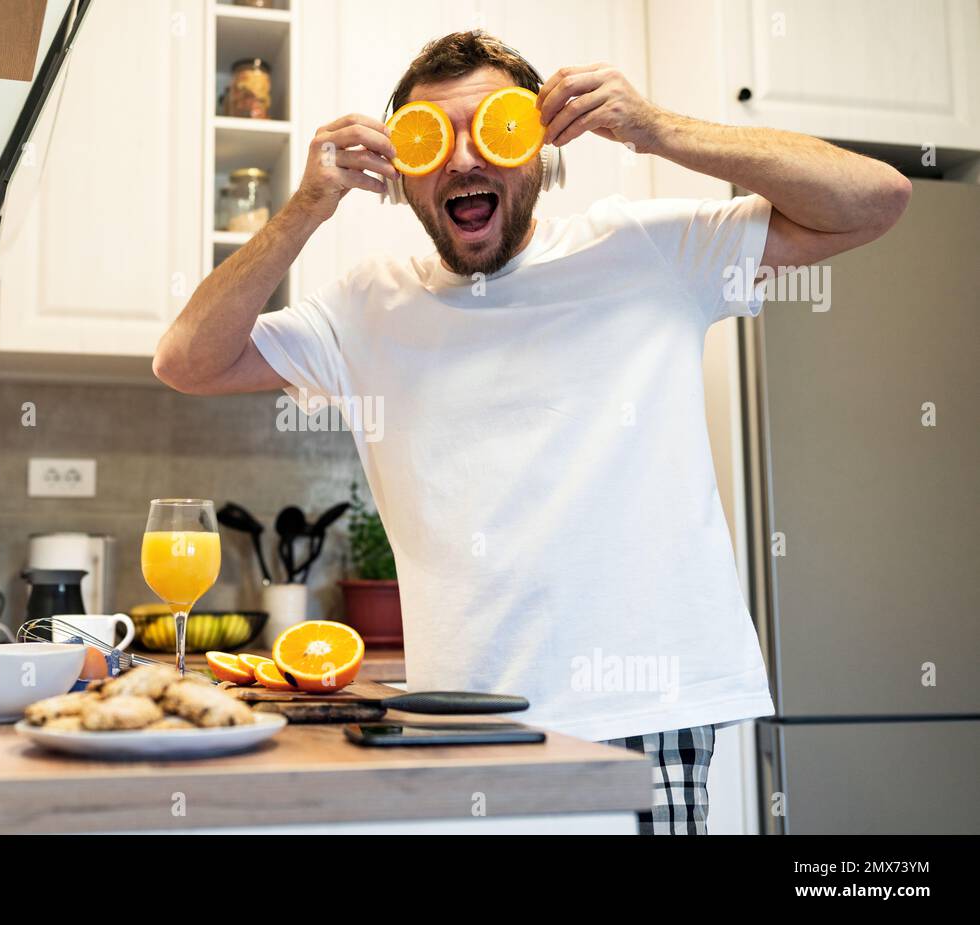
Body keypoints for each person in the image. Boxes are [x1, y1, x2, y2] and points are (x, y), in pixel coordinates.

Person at [153, 31, 911, 834]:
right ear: (402, 176)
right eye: (433, 140)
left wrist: (658, 128)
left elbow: (877, 199)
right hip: (460, 722)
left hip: (641, 711)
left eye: (495, 130)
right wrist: (307, 203)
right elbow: (186, 361)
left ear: (543, 152)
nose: (466, 160)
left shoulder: (649, 251)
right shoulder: (367, 305)